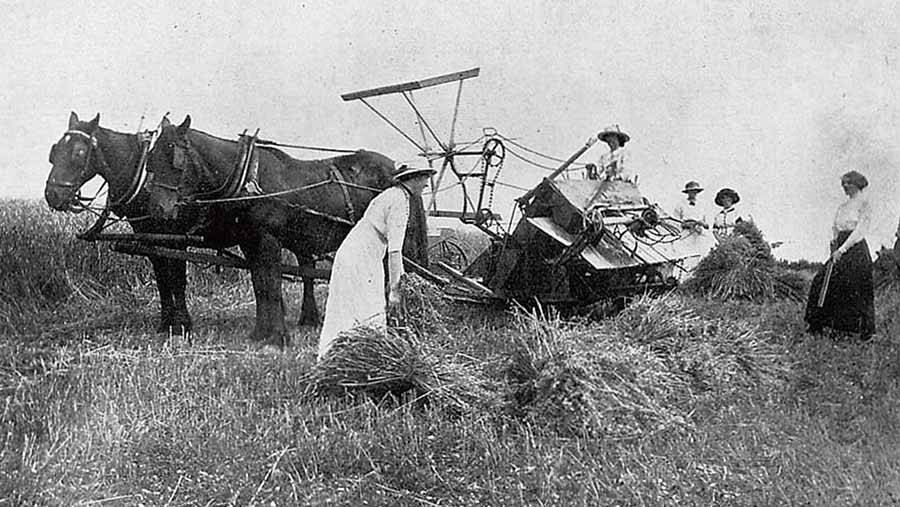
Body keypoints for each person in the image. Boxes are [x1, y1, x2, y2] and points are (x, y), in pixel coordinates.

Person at [317, 161, 435, 360]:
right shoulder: (399, 202)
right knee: (363, 310)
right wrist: (396, 290)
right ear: (413, 178)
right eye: (424, 178)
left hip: (360, 254)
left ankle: (349, 359)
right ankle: (346, 361)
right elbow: (395, 251)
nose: (426, 184)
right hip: (361, 258)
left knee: (354, 309)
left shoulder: (392, 195)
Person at [804, 170, 875, 341]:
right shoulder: (843, 207)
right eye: (843, 183)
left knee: (854, 287)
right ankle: (818, 325)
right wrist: (834, 244)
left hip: (855, 249)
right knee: (820, 281)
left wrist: (842, 250)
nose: (844, 186)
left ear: (857, 184)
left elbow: (859, 231)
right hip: (839, 247)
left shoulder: (864, 204)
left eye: (847, 183)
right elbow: (835, 227)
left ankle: (860, 333)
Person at [672, 181, 716, 277]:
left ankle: (699, 277)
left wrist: (702, 224)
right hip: (686, 234)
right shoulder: (680, 204)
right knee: (684, 255)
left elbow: (708, 223)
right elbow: (675, 222)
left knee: (702, 253)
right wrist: (685, 225)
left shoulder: (703, 205)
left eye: (695, 191)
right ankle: (683, 278)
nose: (693, 193)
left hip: (699, 233)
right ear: (687, 193)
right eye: (691, 191)